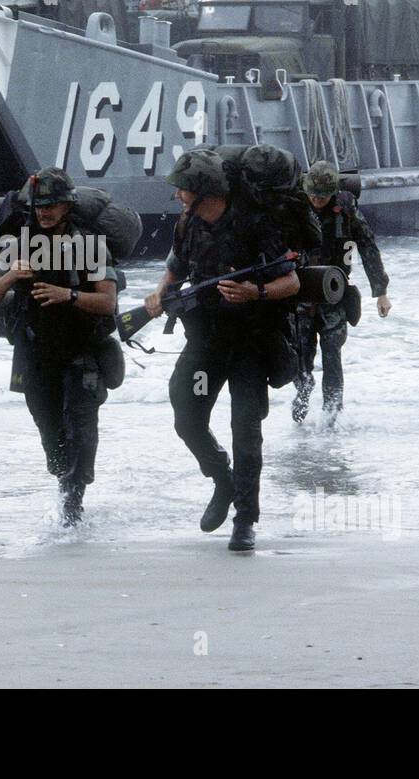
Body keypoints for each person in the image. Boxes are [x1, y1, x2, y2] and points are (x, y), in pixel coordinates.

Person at [144, 149, 316, 552]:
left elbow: (290, 283)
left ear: (206, 191)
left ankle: (245, 519)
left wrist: (253, 292)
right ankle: (222, 477)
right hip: (208, 342)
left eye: (184, 190)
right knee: (186, 411)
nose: (178, 197)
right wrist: (159, 292)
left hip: (252, 342)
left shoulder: (256, 225)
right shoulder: (188, 224)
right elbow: (176, 267)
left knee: (246, 430)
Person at [0, 168, 118, 526]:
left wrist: (67, 295)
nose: (45, 211)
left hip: (80, 348)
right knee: (51, 432)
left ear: (68, 205)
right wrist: (12, 275)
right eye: (39, 205)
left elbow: (107, 303)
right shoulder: (19, 245)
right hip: (35, 353)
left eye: (53, 204)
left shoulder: (89, 245)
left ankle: (73, 500)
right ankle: (65, 482)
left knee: (81, 428)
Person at [292, 161, 391, 424]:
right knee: (301, 357)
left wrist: (380, 291)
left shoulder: (346, 210)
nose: (316, 200)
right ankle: (302, 394)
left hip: (333, 294)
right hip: (299, 293)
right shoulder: (296, 207)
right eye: (312, 194)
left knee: (332, 354)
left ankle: (332, 414)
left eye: (322, 196)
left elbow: (368, 245)